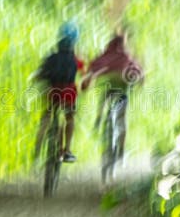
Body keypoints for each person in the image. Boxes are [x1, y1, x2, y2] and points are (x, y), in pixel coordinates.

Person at [81, 31, 144, 165]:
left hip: (108, 91)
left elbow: (93, 67)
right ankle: (120, 152)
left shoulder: (105, 55)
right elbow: (137, 71)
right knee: (121, 119)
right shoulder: (127, 57)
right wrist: (139, 82)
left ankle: (98, 119)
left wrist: (89, 80)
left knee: (104, 99)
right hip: (121, 92)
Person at [33, 21, 84, 163]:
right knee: (69, 118)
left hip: (52, 92)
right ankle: (67, 150)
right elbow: (83, 72)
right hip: (68, 93)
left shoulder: (51, 57)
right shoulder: (75, 59)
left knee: (47, 116)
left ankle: (38, 149)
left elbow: (40, 73)